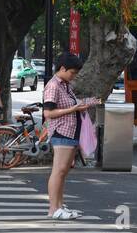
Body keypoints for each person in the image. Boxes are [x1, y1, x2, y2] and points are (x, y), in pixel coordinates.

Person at [42, 53, 98, 220]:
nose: (74, 76)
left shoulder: (65, 85)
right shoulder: (53, 86)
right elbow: (48, 112)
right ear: (62, 69)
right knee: (58, 171)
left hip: (71, 132)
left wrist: (83, 104)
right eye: (72, 72)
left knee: (63, 172)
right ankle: (54, 209)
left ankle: (59, 205)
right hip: (62, 132)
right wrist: (73, 109)